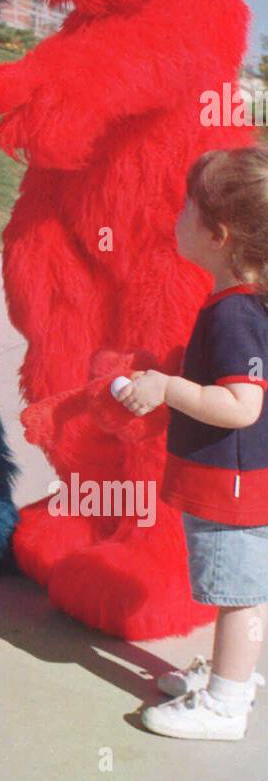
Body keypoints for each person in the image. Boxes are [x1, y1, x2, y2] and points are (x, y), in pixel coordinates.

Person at [115, 144, 268, 740]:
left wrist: (169, 387)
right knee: (241, 587)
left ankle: (226, 705)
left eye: (186, 207)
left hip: (235, 488)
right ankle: (233, 674)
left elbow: (241, 405)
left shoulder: (233, 314)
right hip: (243, 480)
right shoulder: (243, 303)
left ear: (219, 235)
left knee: (237, 593)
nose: (176, 216)